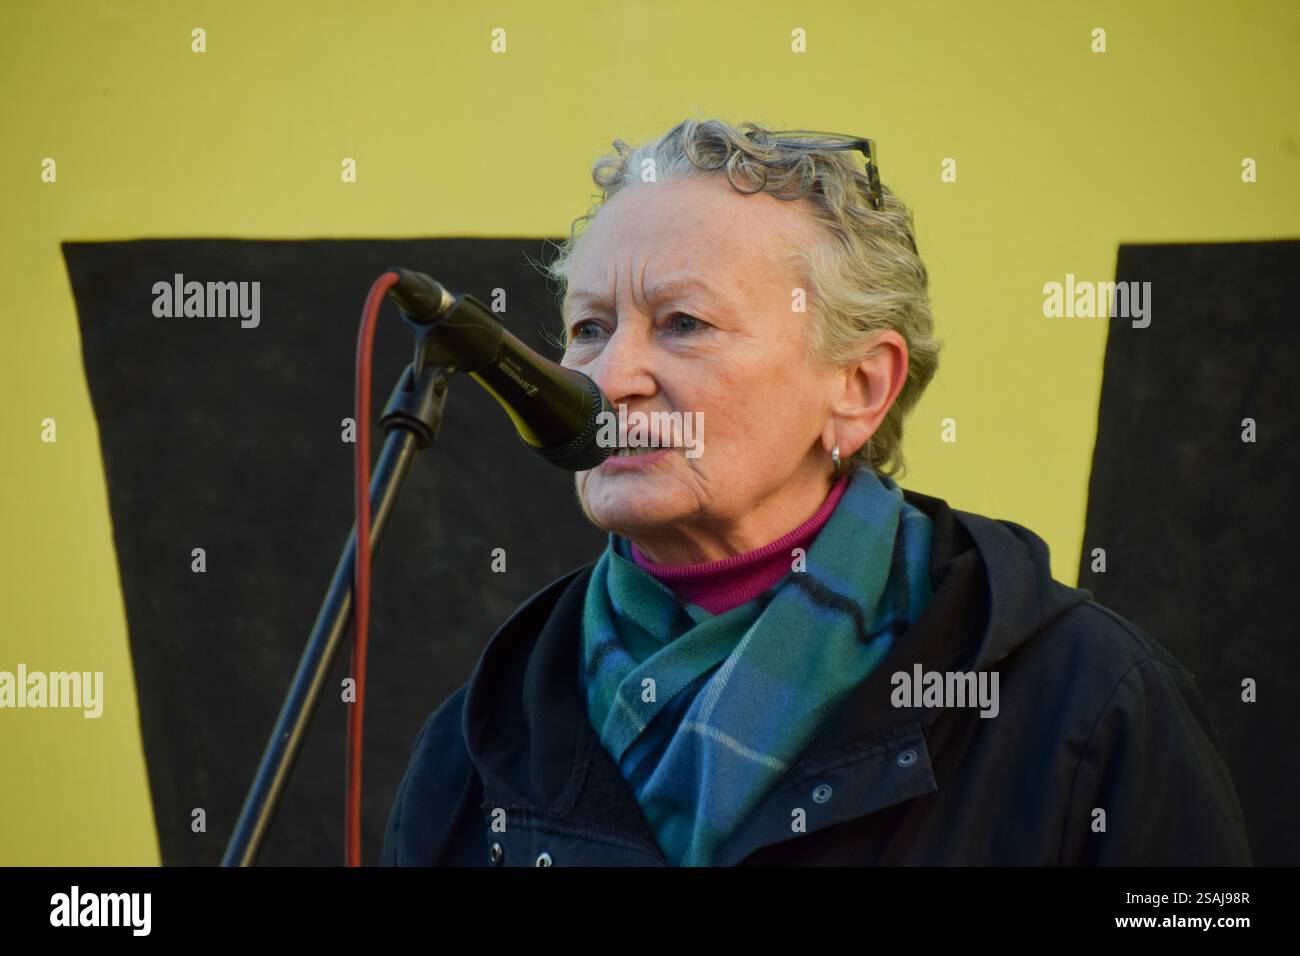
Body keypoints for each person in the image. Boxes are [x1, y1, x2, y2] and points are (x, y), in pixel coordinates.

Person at [379, 118, 1252, 866]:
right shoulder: (483, 735)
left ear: (862, 387)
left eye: (684, 323)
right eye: (588, 328)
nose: (613, 376)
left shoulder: (1087, 702)